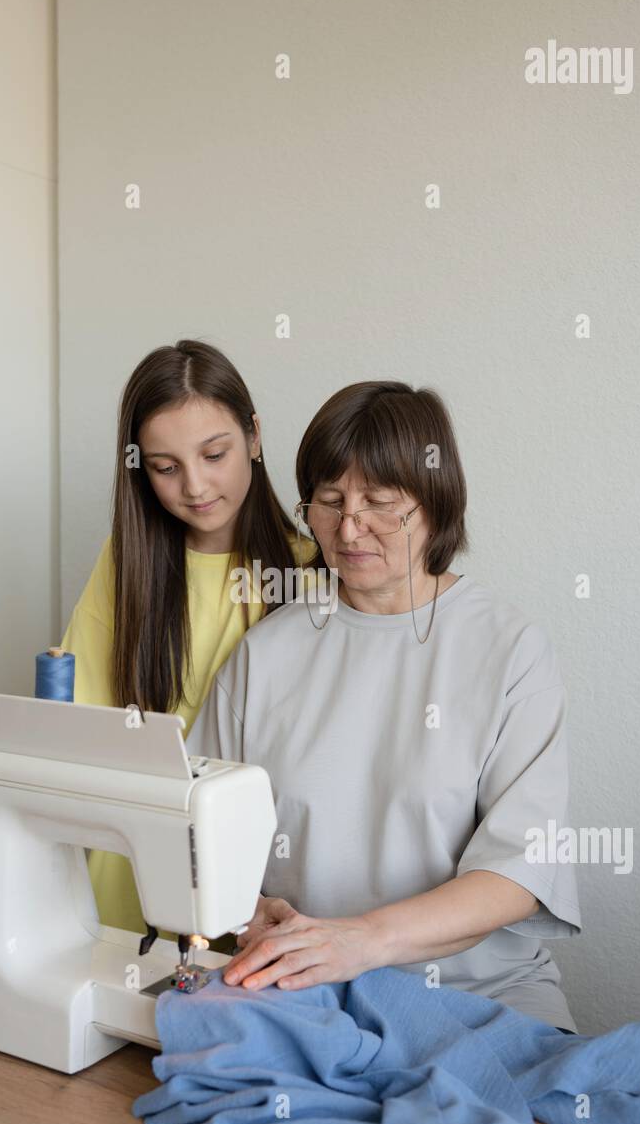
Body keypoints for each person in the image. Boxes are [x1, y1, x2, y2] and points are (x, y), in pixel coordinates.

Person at [186, 379, 582, 1032]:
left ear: (436, 502)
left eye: (379, 503)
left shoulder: (510, 651)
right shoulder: (267, 653)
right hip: (304, 991)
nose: (348, 528)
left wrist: (362, 940)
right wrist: (249, 913)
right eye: (329, 502)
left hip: (484, 994)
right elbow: (195, 831)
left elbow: (517, 874)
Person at [60, 339, 315, 940]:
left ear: (254, 437)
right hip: (128, 872)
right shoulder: (128, 566)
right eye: (165, 467)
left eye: (214, 454)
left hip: (257, 889)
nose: (195, 487)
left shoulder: (312, 574)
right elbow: (73, 719)